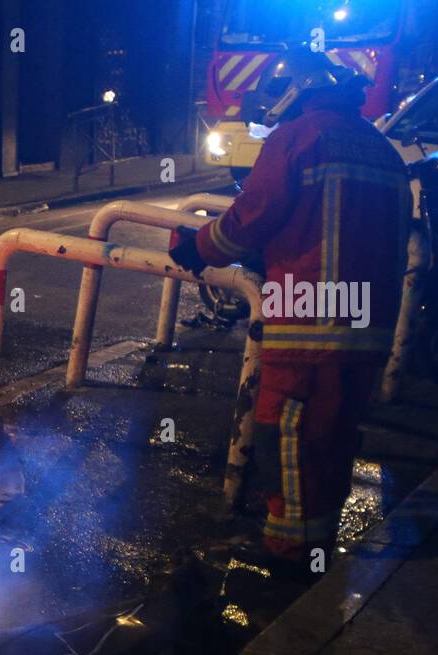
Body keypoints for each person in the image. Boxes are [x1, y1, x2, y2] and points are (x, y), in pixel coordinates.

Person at [170, 47, 411, 573]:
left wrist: (198, 248)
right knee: (334, 441)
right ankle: (320, 553)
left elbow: (250, 217)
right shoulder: (381, 148)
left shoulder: (298, 138)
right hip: (368, 330)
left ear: (293, 91)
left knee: (290, 444)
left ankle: (289, 564)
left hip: (308, 328)